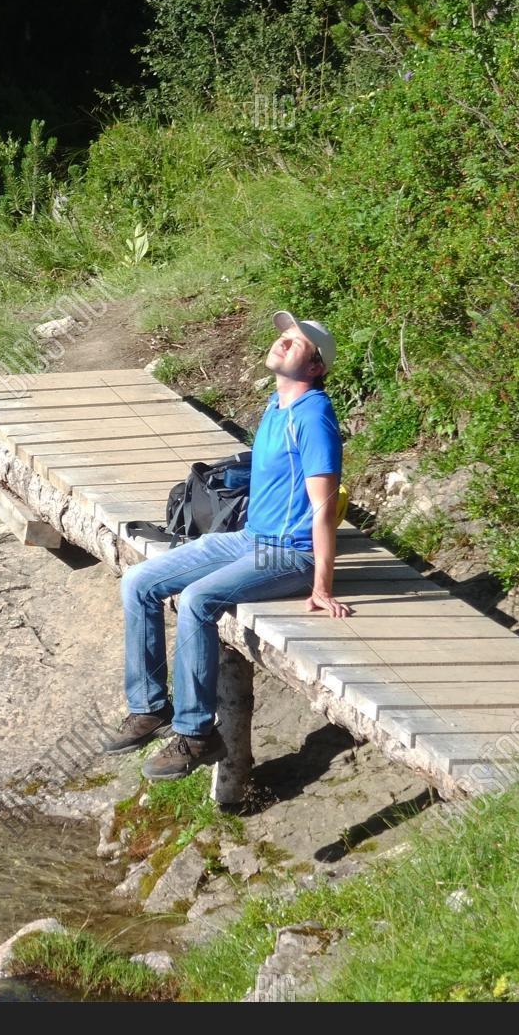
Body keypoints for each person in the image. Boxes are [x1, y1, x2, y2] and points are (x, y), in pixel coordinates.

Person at [104, 310, 354, 780]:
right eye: (284, 335)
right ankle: (149, 707)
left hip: (290, 552)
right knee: (138, 582)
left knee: (198, 599)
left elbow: (324, 508)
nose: (283, 342)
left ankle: (197, 734)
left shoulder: (314, 417)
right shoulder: (276, 406)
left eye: (297, 342)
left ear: (316, 366)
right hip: (249, 538)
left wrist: (322, 585)